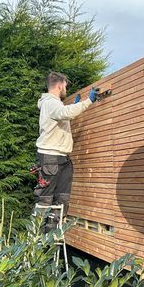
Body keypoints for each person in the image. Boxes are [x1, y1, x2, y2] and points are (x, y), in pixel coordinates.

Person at [33, 71, 97, 230]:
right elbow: (64, 113)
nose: (66, 90)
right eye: (65, 87)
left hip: (61, 158)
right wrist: (88, 101)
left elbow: (62, 113)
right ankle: (35, 242)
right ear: (60, 85)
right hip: (50, 158)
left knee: (61, 199)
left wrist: (71, 105)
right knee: (45, 200)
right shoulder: (50, 102)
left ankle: (51, 238)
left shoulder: (54, 104)